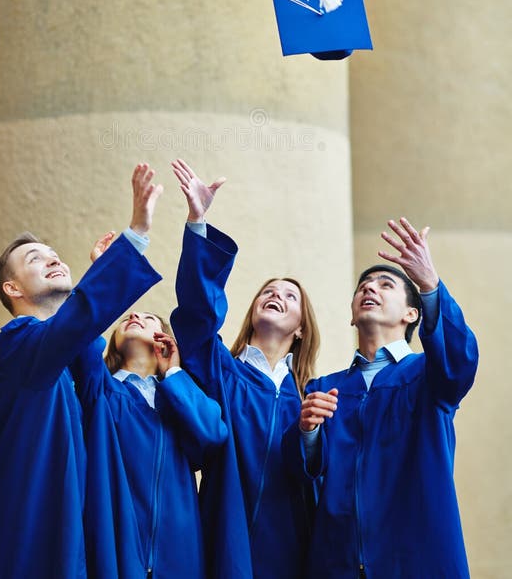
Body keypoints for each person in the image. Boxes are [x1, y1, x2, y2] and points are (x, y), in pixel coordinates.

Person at [0, 164, 164, 579]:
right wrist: (136, 234)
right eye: (35, 258)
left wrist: (100, 270)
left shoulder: (65, 361)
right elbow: (72, 327)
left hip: (71, 544)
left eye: (54, 254)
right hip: (25, 548)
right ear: (13, 288)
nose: (52, 258)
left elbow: (82, 343)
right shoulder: (14, 345)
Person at [286, 217, 479, 579]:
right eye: (363, 287)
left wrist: (429, 284)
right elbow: (303, 474)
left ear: (412, 314)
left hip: (417, 559)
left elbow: (459, 361)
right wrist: (307, 432)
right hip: (337, 562)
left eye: (385, 284)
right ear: (352, 315)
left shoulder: (426, 377)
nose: (369, 289)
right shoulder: (325, 389)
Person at [169, 159, 319, 579]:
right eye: (268, 292)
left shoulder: (310, 396)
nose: (276, 295)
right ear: (252, 312)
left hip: (291, 548)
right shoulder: (221, 370)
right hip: (224, 537)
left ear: (302, 327)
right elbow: (196, 316)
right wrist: (198, 223)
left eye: (290, 296)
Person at [71, 298, 228, 579]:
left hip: (180, 550)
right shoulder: (101, 392)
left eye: (149, 318)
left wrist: (173, 373)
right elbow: (83, 333)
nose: (134, 316)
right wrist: (107, 271)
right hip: (115, 540)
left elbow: (213, 435)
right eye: (126, 319)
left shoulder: (176, 396)